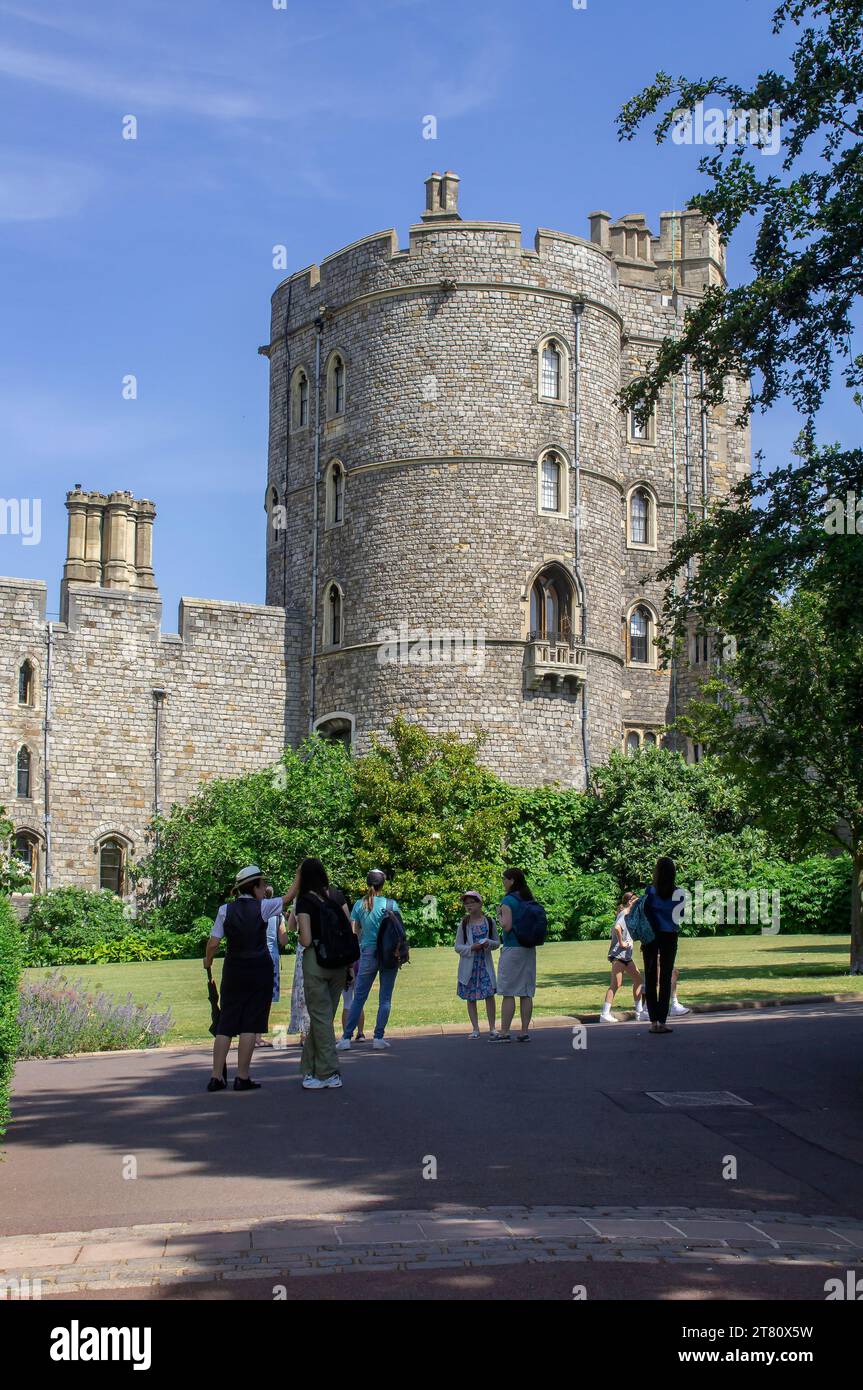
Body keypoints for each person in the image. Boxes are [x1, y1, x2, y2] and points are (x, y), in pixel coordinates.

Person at [205, 865, 297, 1091]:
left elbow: (214, 942)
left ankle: (216, 1076)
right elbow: (289, 896)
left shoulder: (225, 910)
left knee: (225, 1022)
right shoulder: (264, 907)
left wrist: (208, 960)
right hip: (259, 967)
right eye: (262, 884)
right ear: (254, 886)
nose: (264, 887)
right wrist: (299, 875)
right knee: (250, 1021)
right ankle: (242, 1076)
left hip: (233, 967)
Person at [294, 858, 353, 1090]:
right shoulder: (336, 897)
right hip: (338, 964)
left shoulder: (304, 901)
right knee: (324, 1020)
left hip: (316, 962)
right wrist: (349, 967)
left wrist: (299, 936)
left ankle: (329, 1072)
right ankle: (310, 1070)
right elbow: (348, 930)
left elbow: (306, 939)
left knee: (319, 1018)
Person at [336, 869, 400, 1052]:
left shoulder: (359, 905)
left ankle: (347, 1037)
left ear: (367, 883)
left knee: (359, 998)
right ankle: (378, 1036)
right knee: (385, 998)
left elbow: (353, 933)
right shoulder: (391, 904)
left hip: (367, 952)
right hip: (388, 954)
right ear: (383, 884)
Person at [494, 867, 537, 1042]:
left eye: (504, 879)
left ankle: (504, 1032)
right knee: (526, 992)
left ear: (511, 881)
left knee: (508, 991)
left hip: (512, 947)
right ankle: (524, 1031)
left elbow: (507, 926)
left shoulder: (508, 900)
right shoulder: (528, 898)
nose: (503, 882)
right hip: (528, 948)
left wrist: (499, 915)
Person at [640, 856, 682, 1034]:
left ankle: (653, 1021)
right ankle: (663, 1021)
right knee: (665, 978)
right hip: (670, 936)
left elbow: (644, 914)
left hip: (651, 936)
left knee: (650, 977)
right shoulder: (679, 893)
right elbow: (679, 917)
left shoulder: (649, 891)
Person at [455, 890, 500, 1037]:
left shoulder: (489, 921)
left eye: (472, 903)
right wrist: (471, 948)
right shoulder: (464, 923)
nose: (469, 906)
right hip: (469, 967)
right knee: (471, 997)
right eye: (466, 903)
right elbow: (458, 947)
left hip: (485, 965)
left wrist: (488, 943)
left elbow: (497, 943)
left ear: (480, 903)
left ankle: (492, 1028)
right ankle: (475, 1029)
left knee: (489, 995)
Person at [600, 891, 647, 1023]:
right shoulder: (625, 913)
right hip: (619, 955)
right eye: (636, 902)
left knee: (638, 980)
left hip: (626, 956)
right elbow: (617, 928)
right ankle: (604, 1014)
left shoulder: (630, 915)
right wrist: (621, 942)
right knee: (616, 984)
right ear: (630, 902)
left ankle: (639, 1012)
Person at [256, 882, 282, 1047]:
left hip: (255, 954)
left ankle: (254, 1035)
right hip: (271, 956)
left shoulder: (254, 910)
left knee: (255, 996)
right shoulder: (277, 914)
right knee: (266, 999)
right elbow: (284, 939)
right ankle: (258, 1036)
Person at [341, 959, 366, 1041]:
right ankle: (360, 1033)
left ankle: (346, 1034)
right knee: (358, 1003)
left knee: (347, 1003)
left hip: (345, 970)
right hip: (360, 968)